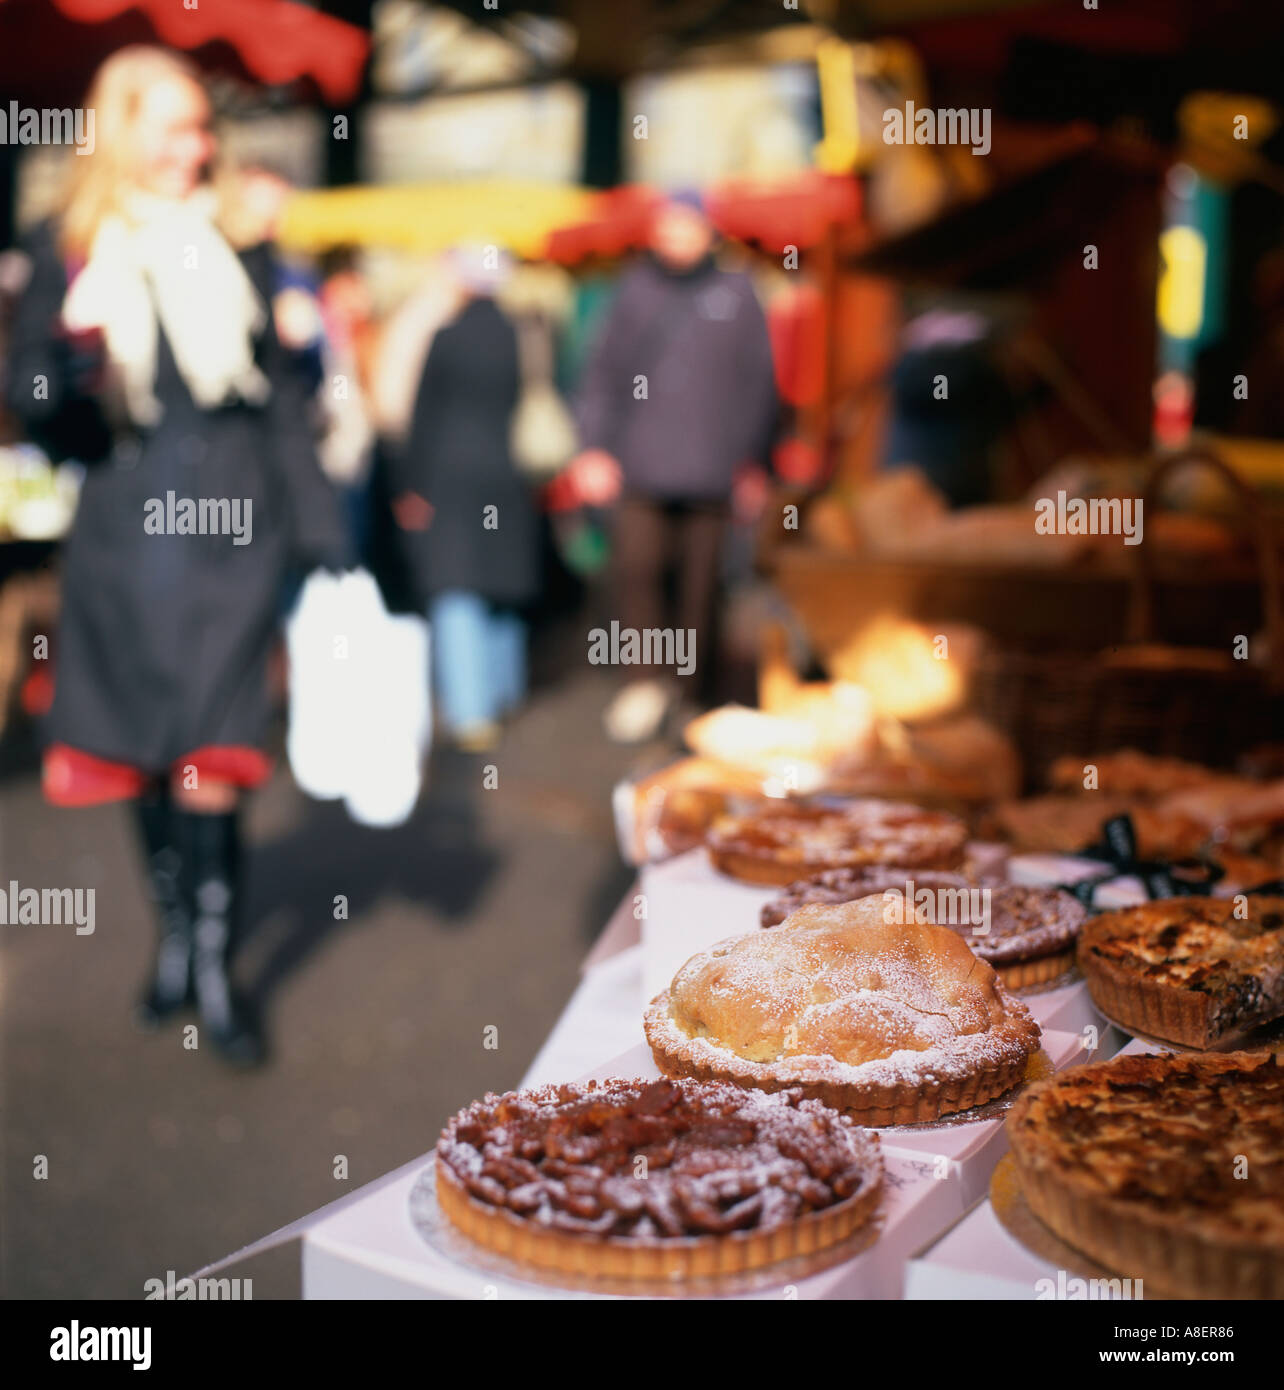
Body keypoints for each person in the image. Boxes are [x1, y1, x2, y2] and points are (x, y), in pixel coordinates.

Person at [3, 47, 350, 1066]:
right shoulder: (66, 247)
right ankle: (170, 941)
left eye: (204, 127)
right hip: (123, 536)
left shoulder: (241, 239)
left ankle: (211, 965)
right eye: (174, 126)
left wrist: (325, 532)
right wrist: (65, 366)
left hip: (234, 536)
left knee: (212, 753)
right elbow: (38, 411)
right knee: (148, 754)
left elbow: (285, 401)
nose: (196, 148)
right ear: (120, 128)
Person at [566, 191, 778, 743]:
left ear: (708, 233)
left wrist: (755, 460)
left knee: (701, 586)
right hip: (640, 465)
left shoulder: (736, 292)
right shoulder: (634, 291)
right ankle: (644, 681)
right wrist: (592, 447)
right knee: (638, 573)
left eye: (688, 228)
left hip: (713, 468)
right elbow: (601, 374)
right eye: (670, 228)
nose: (678, 239)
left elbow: (759, 383)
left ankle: (691, 691)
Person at [393, 247, 540, 751]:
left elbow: (422, 417)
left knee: (457, 587)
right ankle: (503, 692)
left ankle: (470, 710)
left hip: (449, 478)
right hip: (510, 477)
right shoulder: (528, 338)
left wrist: (411, 486)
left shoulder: (446, 338)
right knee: (501, 589)